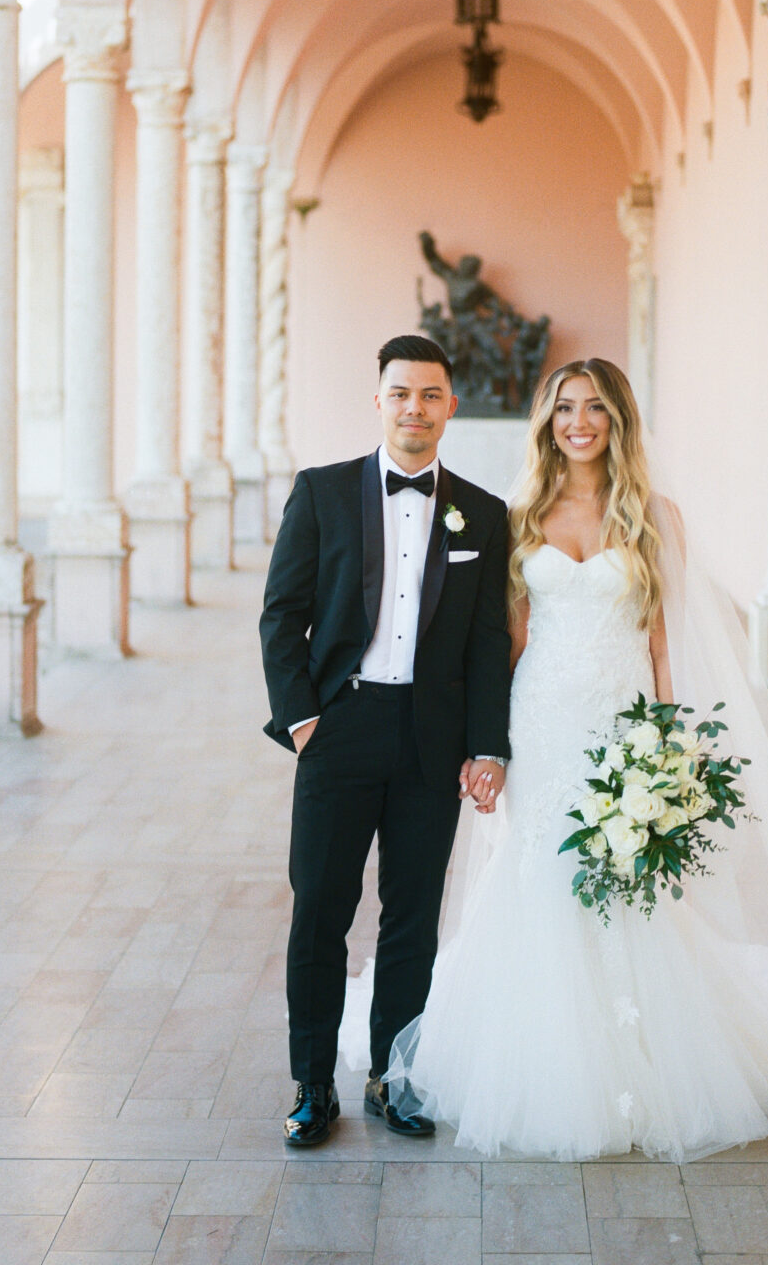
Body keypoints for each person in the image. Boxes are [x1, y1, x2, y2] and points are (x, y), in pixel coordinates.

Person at [385, 357, 768, 1162]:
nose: (577, 422)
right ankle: (554, 1062)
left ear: (618, 418)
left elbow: (661, 642)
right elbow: (509, 643)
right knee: (541, 877)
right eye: (563, 409)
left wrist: (667, 744)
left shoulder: (656, 515)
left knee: (629, 889)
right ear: (547, 422)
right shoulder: (519, 514)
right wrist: (487, 746)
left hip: (623, 725)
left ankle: (651, 1058)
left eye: (593, 407)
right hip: (544, 725)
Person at [260, 334, 511, 1148]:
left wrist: (486, 746)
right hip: (340, 730)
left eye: (430, 395)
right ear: (379, 401)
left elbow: (483, 644)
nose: (415, 408)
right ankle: (310, 1087)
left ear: (450, 406)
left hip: (430, 742)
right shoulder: (322, 492)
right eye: (400, 393)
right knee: (319, 916)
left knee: (411, 916)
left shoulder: (484, 512)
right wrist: (303, 722)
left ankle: (390, 1079)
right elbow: (280, 616)